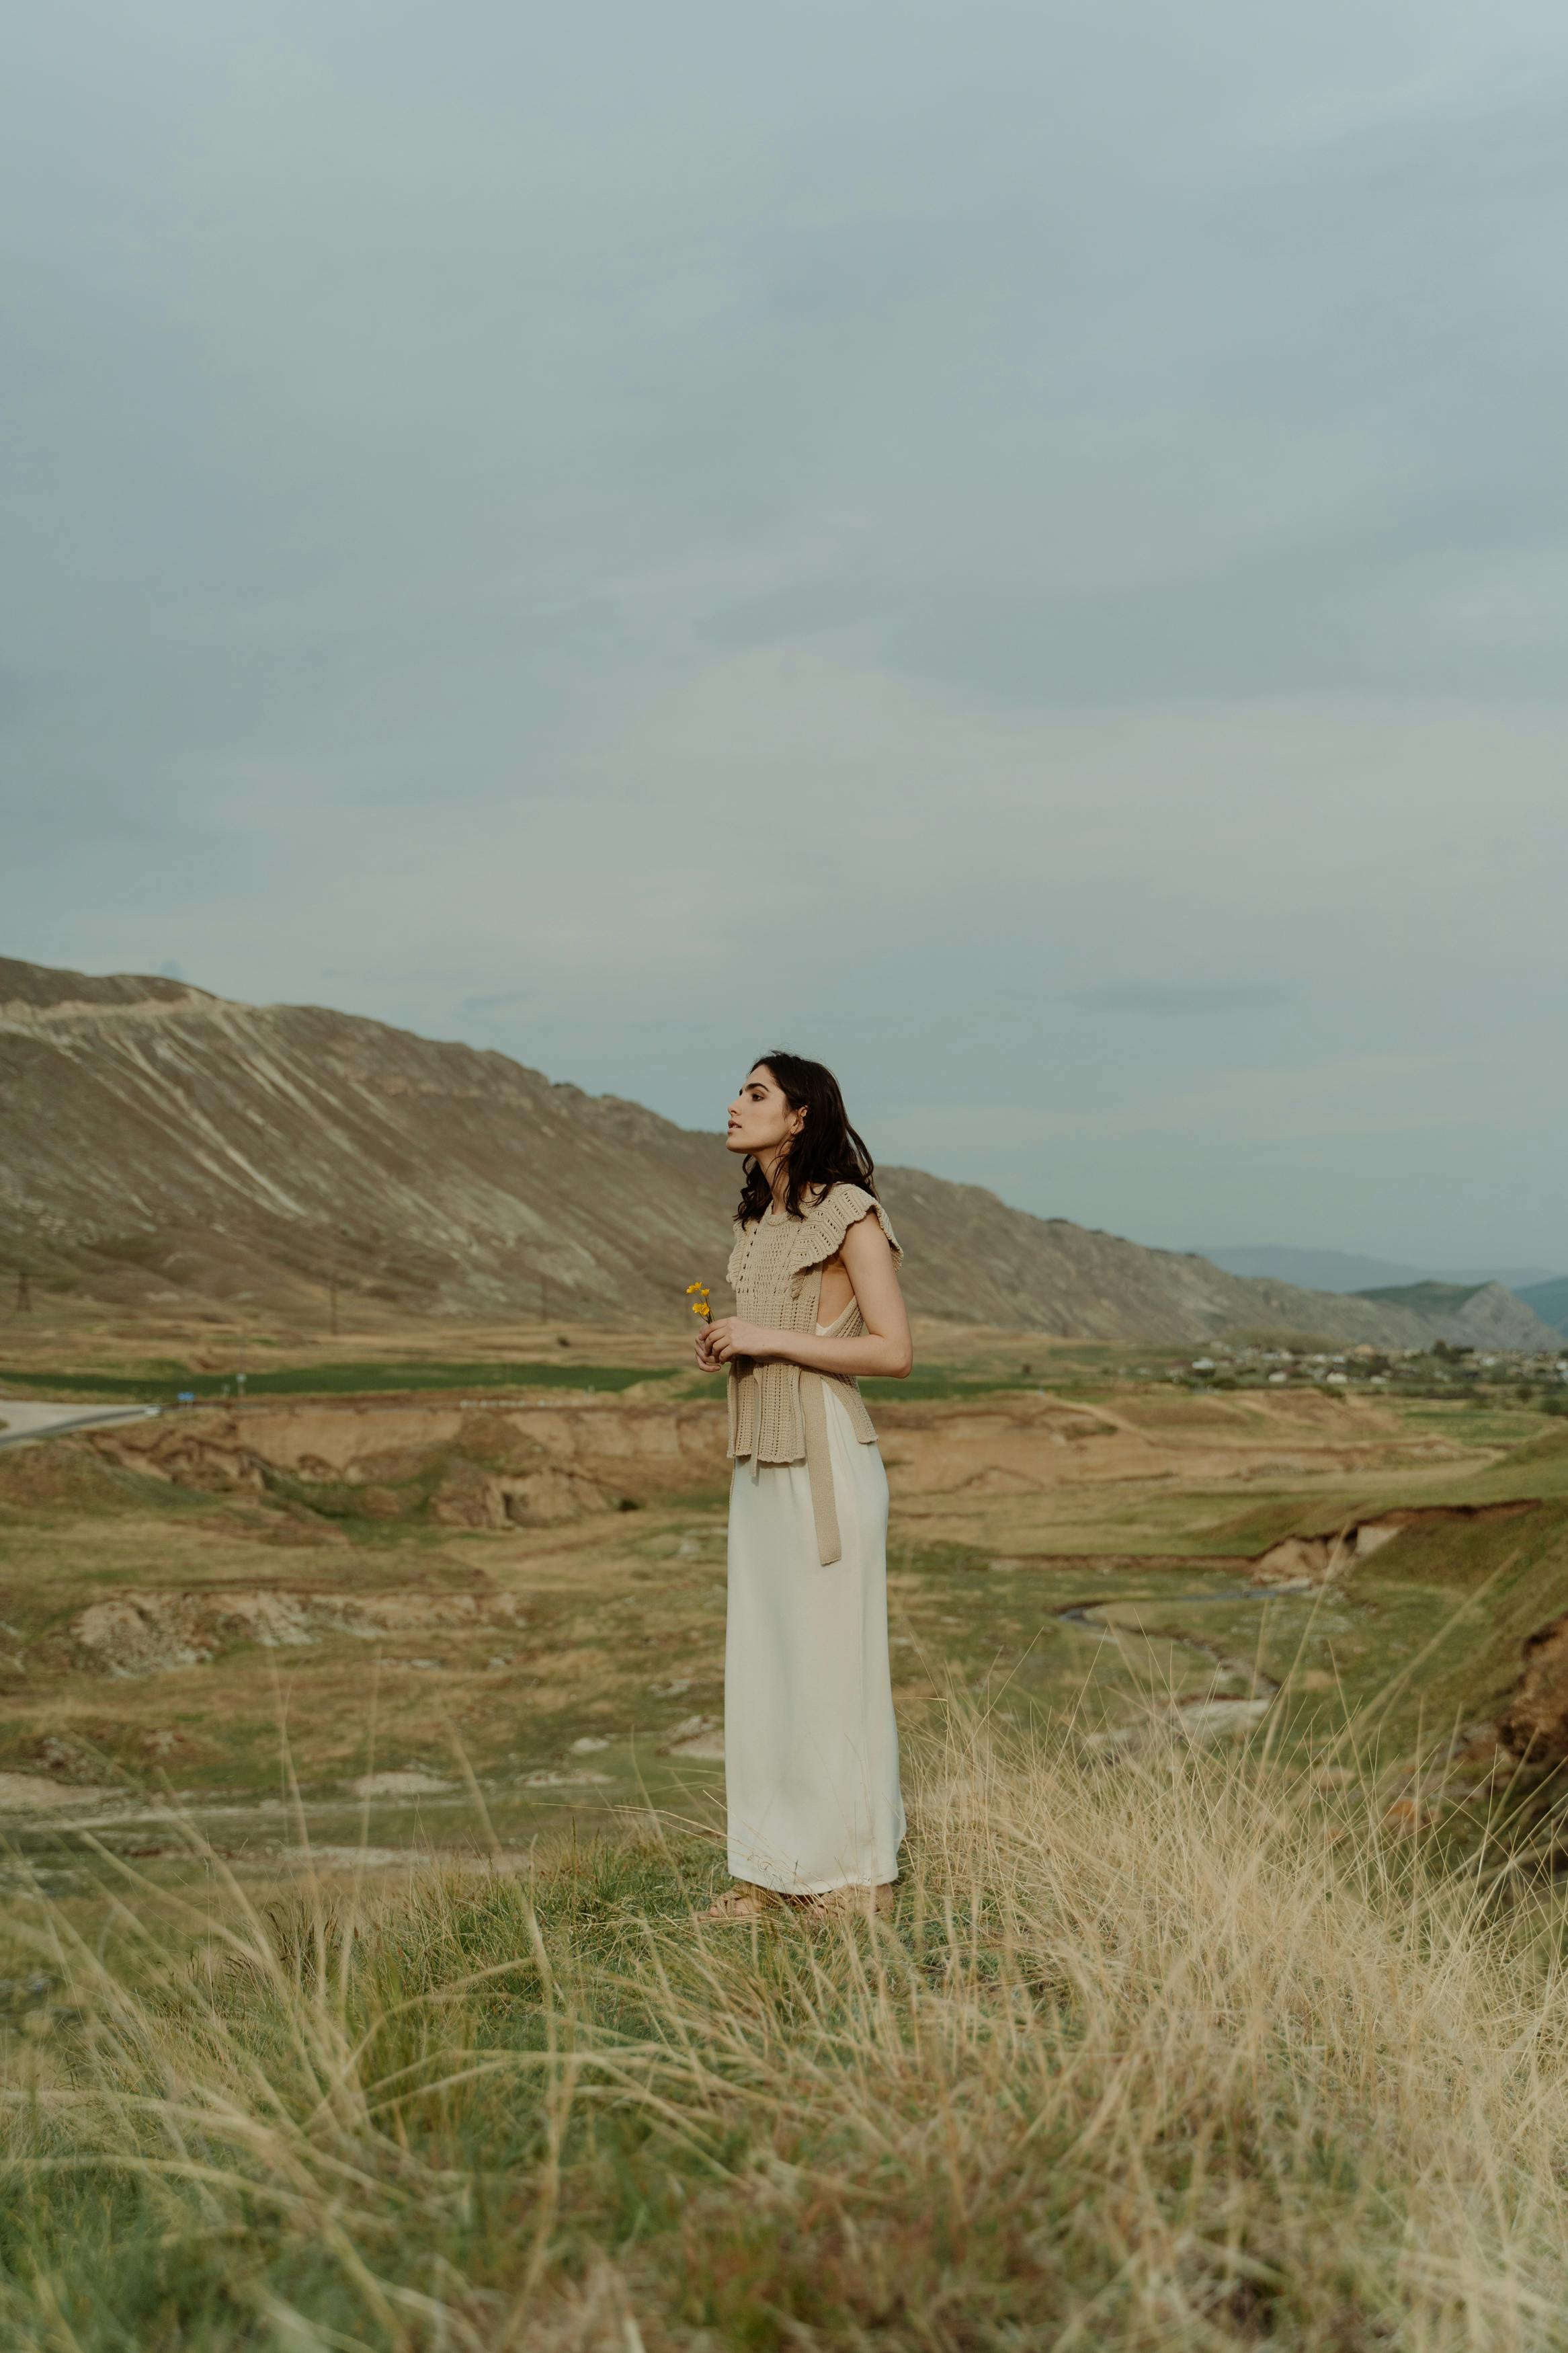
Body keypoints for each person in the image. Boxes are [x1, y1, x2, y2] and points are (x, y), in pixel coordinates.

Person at [694, 1051, 913, 1921]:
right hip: (759, 1455)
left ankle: (859, 1878)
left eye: (755, 1093)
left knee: (832, 1666)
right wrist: (728, 1341)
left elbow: (891, 1353)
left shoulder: (851, 1216)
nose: (734, 1104)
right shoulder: (754, 1225)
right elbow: (765, 1334)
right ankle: (769, 1872)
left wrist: (767, 1340)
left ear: (799, 1118)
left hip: (824, 1455)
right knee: (765, 1665)